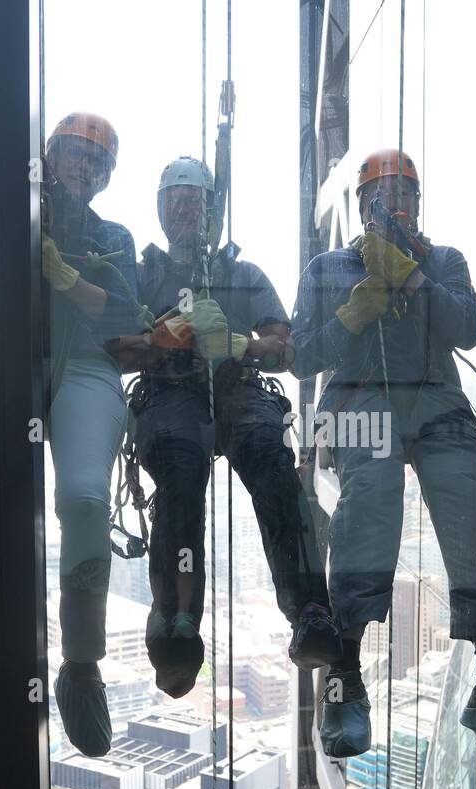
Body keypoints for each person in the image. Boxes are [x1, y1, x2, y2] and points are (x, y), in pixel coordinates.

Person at [291, 148, 476, 759]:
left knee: (469, 502)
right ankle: (345, 674)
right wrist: (355, 313)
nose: (393, 207)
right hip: (360, 399)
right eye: (381, 198)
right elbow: (303, 357)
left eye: (403, 197)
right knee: (370, 498)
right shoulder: (328, 269)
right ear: (361, 208)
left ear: (417, 205)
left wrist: (411, 276)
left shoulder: (442, 261)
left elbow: (468, 327)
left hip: (435, 401)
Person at [0, 112, 149, 759]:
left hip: (86, 366)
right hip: (8, 360)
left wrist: (63, 274)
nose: (82, 165)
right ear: (51, 159)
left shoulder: (115, 237)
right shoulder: (14, 219)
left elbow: (127, 314)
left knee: (81, 500)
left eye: (93, 161)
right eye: (73, 154)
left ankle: (80, 666)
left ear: (103, 177)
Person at [128, 156, 342, 700]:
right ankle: (176, 621)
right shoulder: (143, 274)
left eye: (194, 204)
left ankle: (310, 609)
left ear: (213, 213)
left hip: (237, 390)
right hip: (172, 392)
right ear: (161, 211)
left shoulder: (242, 277)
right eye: (176, 204)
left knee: (271, 461)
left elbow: (286, 350)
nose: (185, 214)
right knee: (179, 477)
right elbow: (115, 346)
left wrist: (238, 345)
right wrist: (162, 339)